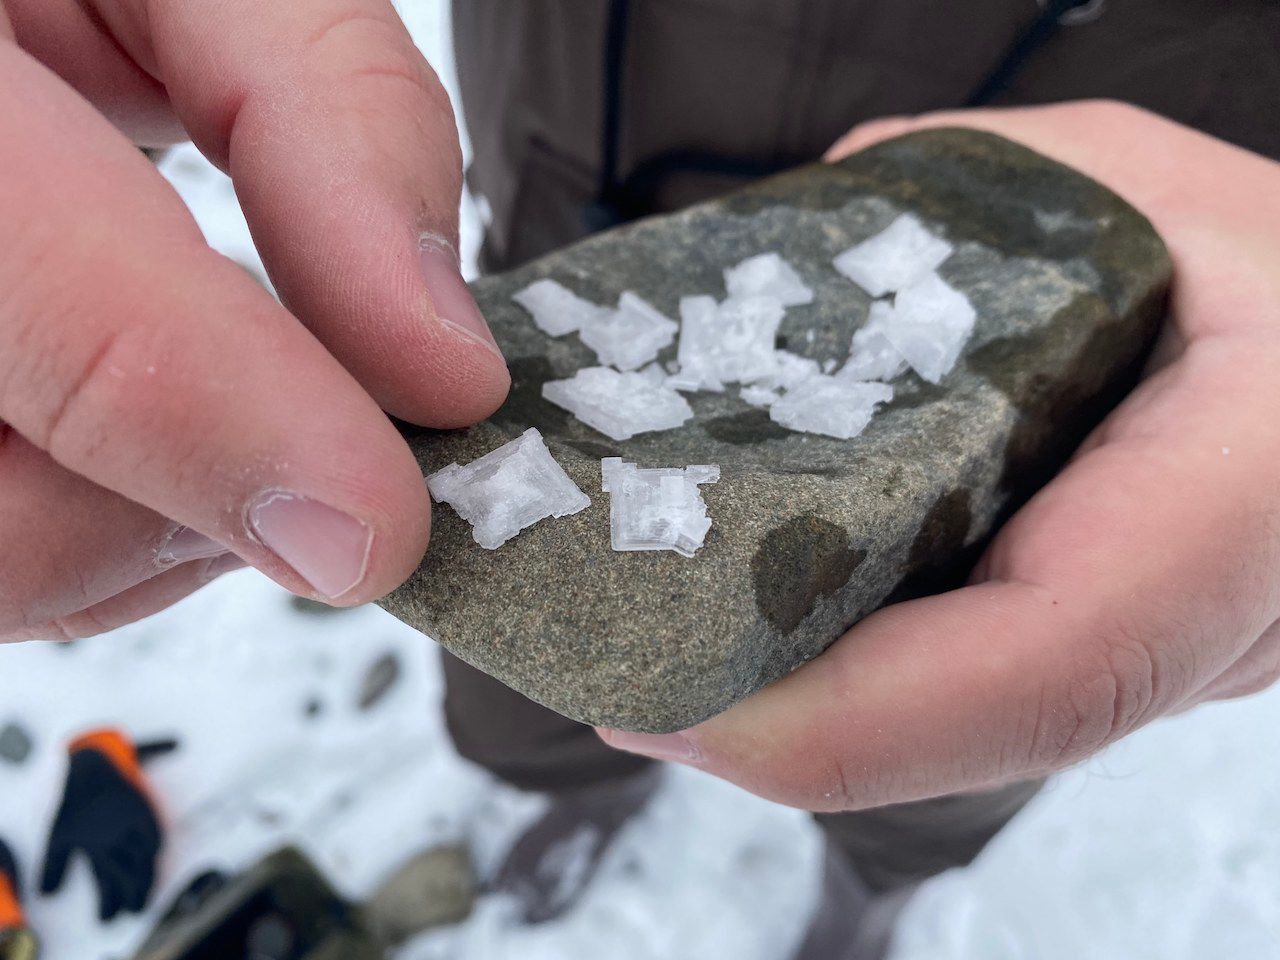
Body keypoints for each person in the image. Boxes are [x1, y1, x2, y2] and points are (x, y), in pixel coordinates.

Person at [1, 0, 1277, 955]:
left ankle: (872, 887)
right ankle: (559, 784)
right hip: (575, 136)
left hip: (1138, 130)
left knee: (961, 690)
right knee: (516, 621)